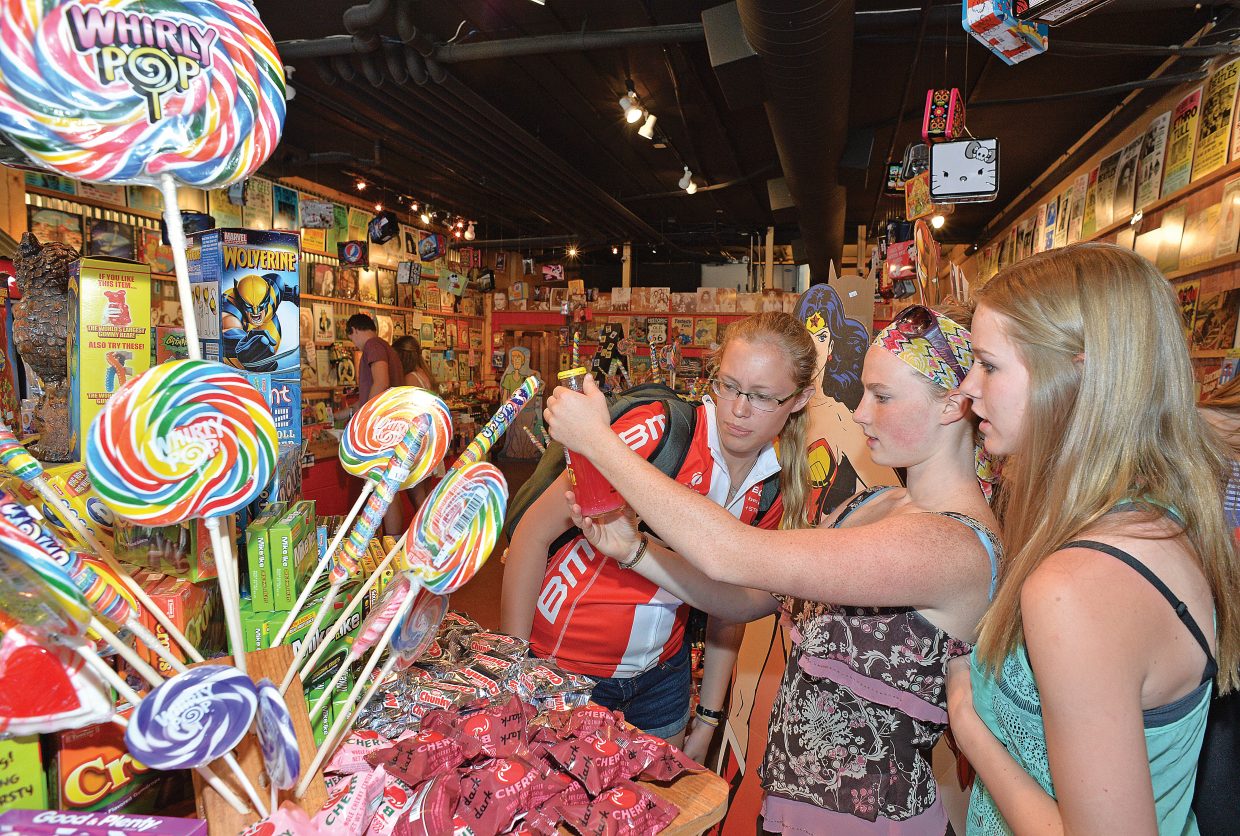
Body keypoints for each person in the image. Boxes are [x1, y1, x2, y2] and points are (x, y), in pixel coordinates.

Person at [545, 303, 1000, 833]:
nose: (860, 413)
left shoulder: (951, 543)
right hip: (789, 809)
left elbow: (731, 552)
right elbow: (744, 597)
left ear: (951, 406)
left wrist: (599, 443)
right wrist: (634, 552)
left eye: (883, 396)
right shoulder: (870, 505)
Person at [943, 243, 1239, 833]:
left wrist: (968, 723)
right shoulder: (1163, 515)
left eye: (990, 364)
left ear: (1076, 373)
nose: (969, 388)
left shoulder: (1076, 586)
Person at [502, 312, 816, 760]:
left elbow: (729, 605)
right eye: (728, 386)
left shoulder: (777, 488)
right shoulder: (660, 429)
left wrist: (707, 717)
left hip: (663, 675)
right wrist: (514, 670)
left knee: (656, 816)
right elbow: (533, 532)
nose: (739, 410)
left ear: (799, 400)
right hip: (565, 665)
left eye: (763, 397)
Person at [346, 312, 406, 534]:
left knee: (384, 488)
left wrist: (364, 419)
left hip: (381, 427)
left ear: (355, 330)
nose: (355, 344)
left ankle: (390, 541)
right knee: (388, 487)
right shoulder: (387, 348)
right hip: (393, 424)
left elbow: (380, 382)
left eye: (352, 339)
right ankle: (391, 540)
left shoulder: (372, 345)